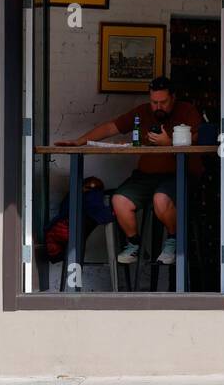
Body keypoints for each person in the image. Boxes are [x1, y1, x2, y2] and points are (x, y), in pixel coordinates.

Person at [57, 76, 203, 266]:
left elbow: (200, 138)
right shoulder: (143, 112)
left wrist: (169, 143)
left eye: (163, 102)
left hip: (178, 175)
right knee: (119, 200)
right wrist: (79, 141)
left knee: (161, 198)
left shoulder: (187, 111)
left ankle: (173, 243)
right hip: (145, 177)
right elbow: (111, 127)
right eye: (154, 102)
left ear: (173, 98)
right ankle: (134, 245)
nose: (158, 107)